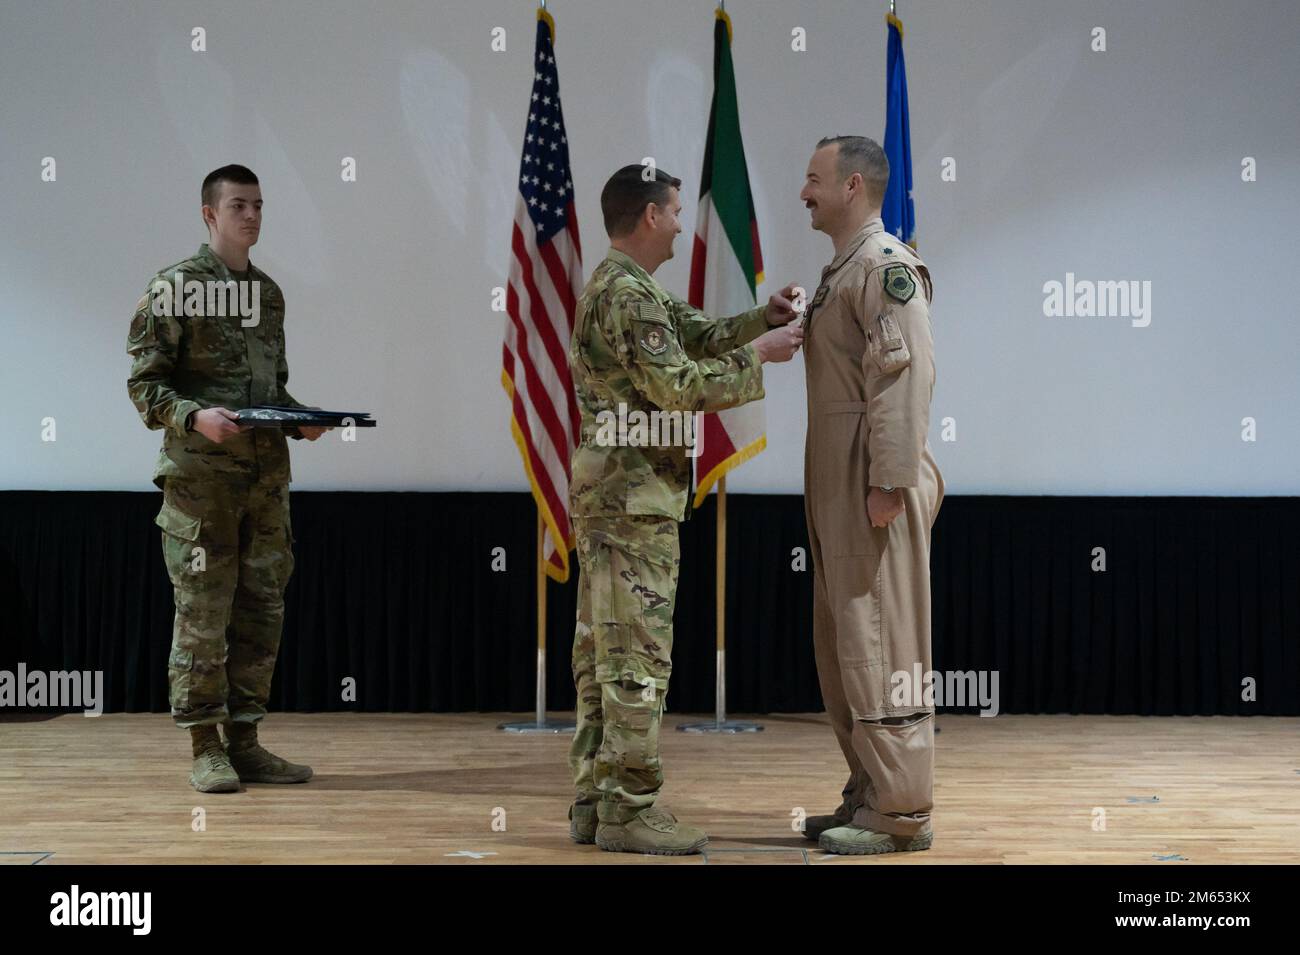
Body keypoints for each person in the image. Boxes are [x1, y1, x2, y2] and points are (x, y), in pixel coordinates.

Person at [567, 164, 803, 854]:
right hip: (631, 501)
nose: (679, 223)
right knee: (637, 660)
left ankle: (596, 800)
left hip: (615, 498)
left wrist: (763, 317)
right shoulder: (629, 296)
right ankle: (630, 809)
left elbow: (697, 336)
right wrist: (761, 358)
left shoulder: (626, 287)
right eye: (673, 211)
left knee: (602, 656)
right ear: (648, 216)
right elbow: (677, 388)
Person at [126, 164, 324, 793]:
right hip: (201, 485)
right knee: (204, 615)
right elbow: (144, 385)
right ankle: (205, 745)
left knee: (261, 613)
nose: (252, 216)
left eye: (259, 205)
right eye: (239, 205)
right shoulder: (175, 287)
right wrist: (194, 416)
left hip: (266, 485)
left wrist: (300, 420)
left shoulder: (268, 294)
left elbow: (270, 389)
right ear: (209, 214)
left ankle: (247, 741)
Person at [796, 136, 944, 854]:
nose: (805, 192)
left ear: (853, 186)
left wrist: (889, 479)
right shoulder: (843, 270)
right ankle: (868, 792)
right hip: (838, 479)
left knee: (881, 642)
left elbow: (902, 379)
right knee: (845, 643)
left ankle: (902, 811)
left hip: (868, 481)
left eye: (814, 179)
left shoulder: (887, 268)